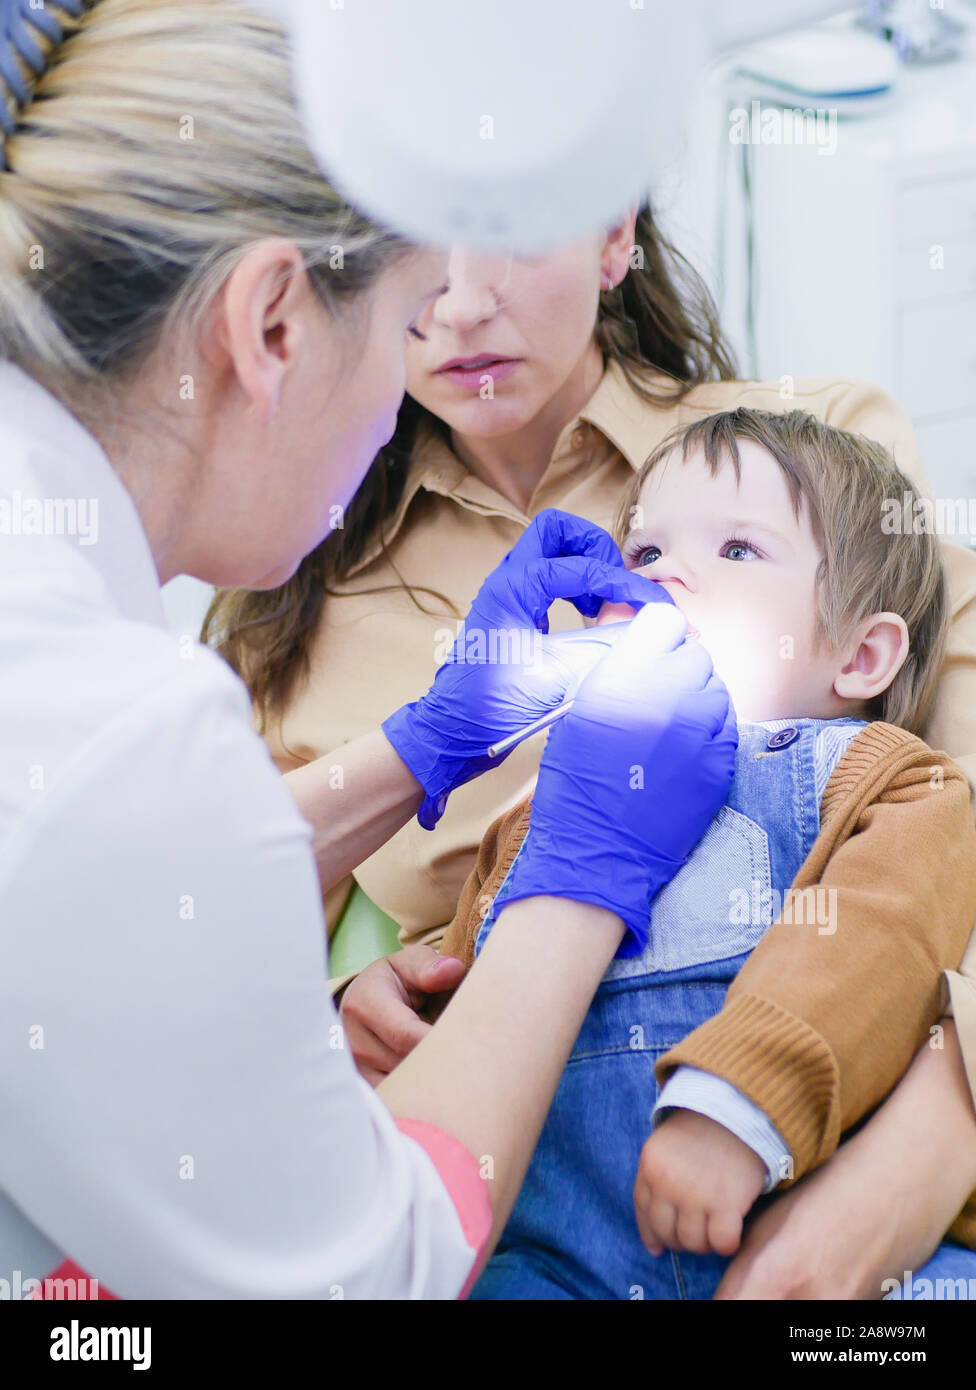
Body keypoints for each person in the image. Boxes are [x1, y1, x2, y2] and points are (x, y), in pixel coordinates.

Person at [0, 0, 741, 1299]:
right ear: (274, 322)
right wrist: (577, 875)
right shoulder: (123, 727)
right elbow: (379, 1272)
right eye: (408, 312)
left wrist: (417, 749)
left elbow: (118, 887)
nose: (448, 333)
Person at [209, 204, 976, 1297]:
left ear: (614, 233)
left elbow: (941, 852)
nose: (462, 302)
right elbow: (194, 959)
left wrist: (918, 1151)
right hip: (503, 1199)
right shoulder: (284, 572)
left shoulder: (816, 448)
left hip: (822, 1168)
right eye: (412, 242)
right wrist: (352, 1012)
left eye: (510, 228)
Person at [439, 407, 976, 1299]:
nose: (666, 576)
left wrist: (740, 1106)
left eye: (736, 551)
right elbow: (478, 1012)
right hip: (556, 1266)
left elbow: (881, 941)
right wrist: (404, 1012)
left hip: (836, 1250)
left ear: (861, 654)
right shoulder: (535, 811)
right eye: (644, 555)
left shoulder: (886, 782)